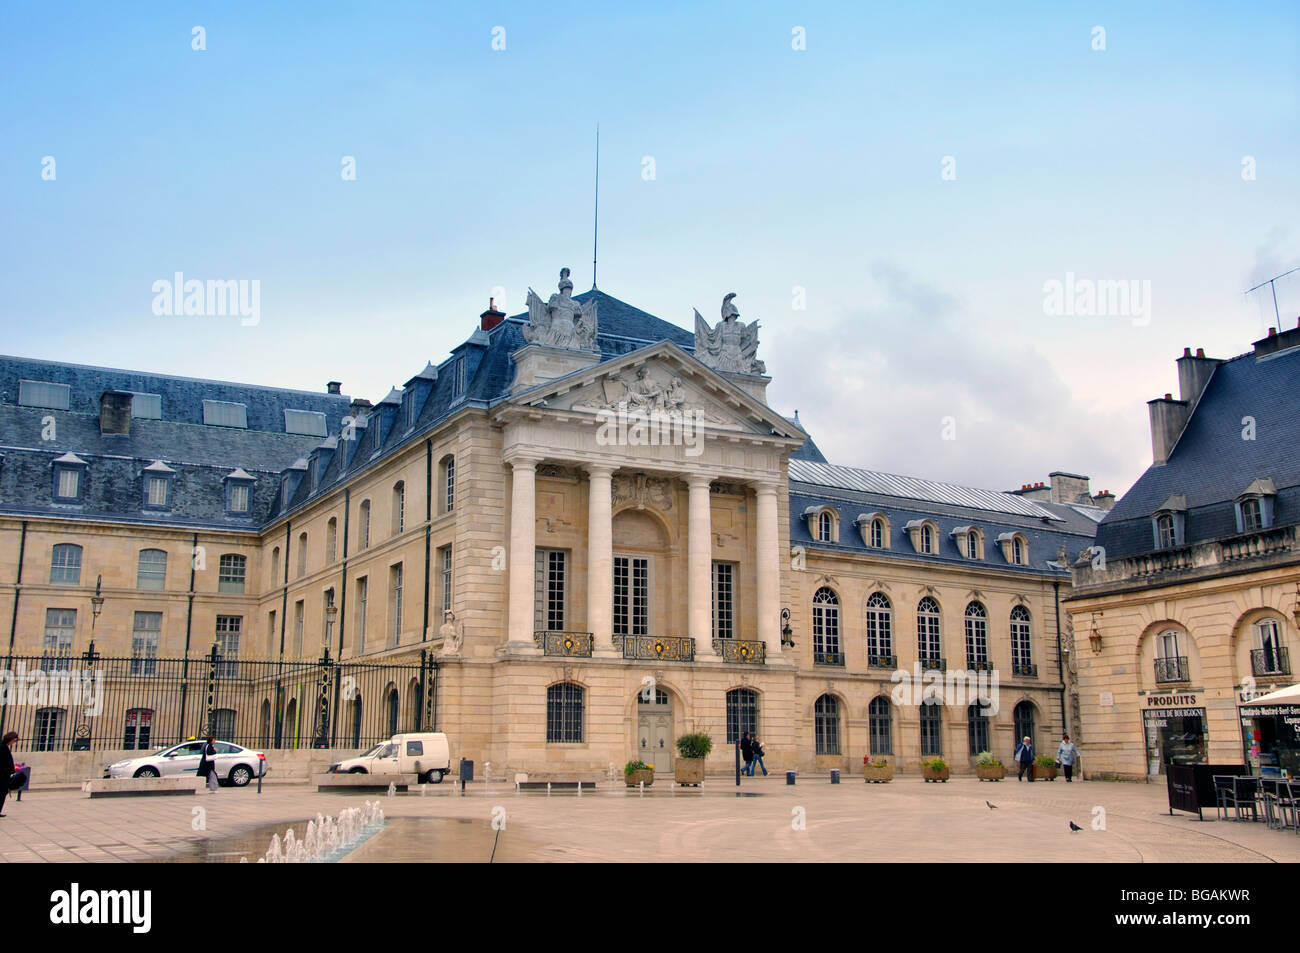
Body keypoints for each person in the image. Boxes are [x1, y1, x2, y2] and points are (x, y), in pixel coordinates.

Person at [0, 732, 16, 817]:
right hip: (2, 775)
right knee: (2, 792)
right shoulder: (2, 747)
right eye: (14, 740)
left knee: (3, 792)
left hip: (4, 775)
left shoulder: (4, 747)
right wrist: (7, 770)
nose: (13, 742)